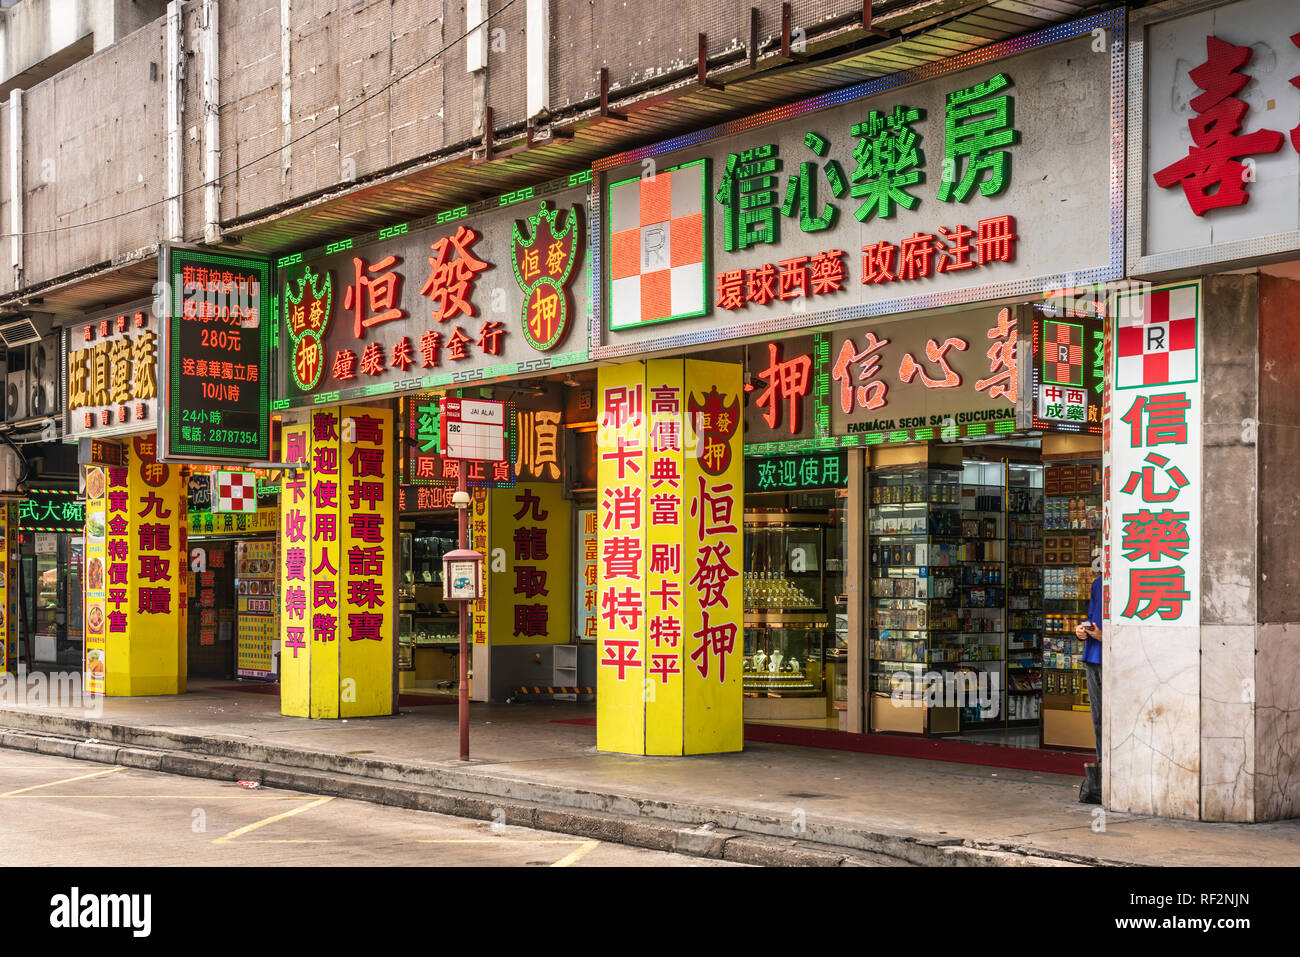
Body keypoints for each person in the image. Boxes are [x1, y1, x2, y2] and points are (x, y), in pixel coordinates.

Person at [1074, 572, 1103, 804]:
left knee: (1112, 719)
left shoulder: (1133, 579)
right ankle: (1102, 772)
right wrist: (1082, 631)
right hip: (1093, 657)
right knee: (1099, 720)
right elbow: (1091, 617)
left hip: (1113, 656)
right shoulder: (1098, 584)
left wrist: (1107, 636)